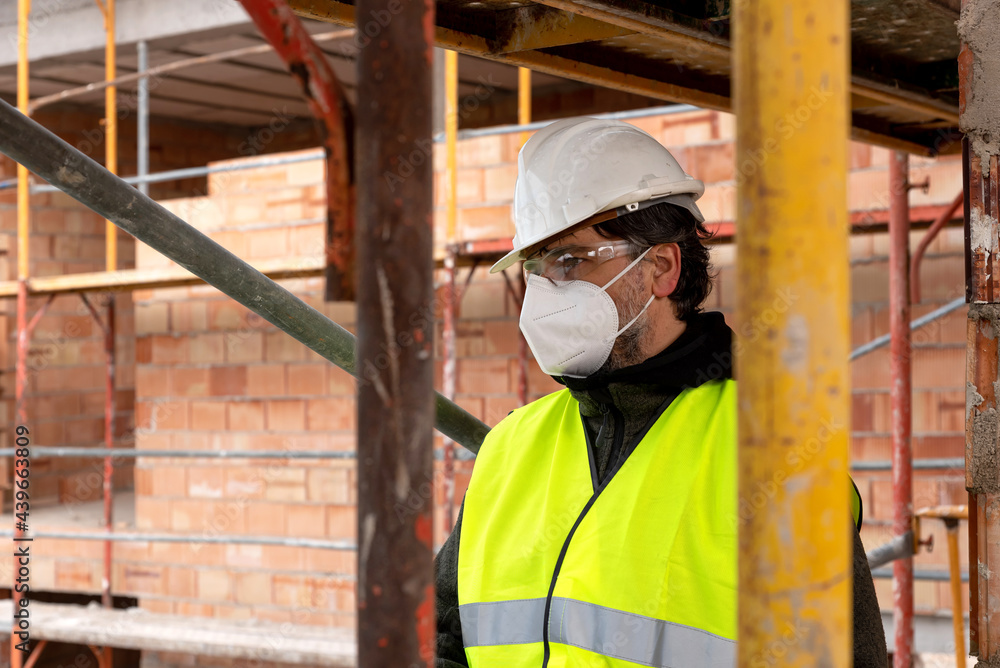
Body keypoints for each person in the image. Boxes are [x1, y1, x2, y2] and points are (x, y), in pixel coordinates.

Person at [435, 117, 887, 667]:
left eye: (571, 261)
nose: (546, 291)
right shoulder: (509, 450)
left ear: (662, 267)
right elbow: (444, 642)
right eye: (536, 267)